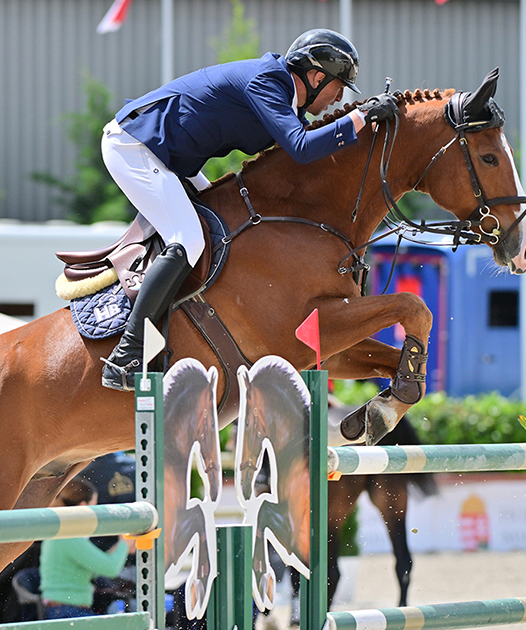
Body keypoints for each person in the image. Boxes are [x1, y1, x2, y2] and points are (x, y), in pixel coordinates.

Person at [99, 28, 400, 390]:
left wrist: (365, 129)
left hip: (169, 159)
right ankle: (127, 353)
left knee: (220, 231)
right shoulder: (268, 82)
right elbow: (302, 148)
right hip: (137, 147)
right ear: (317, 77)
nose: (339, 98)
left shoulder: (284, 99)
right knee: (189, 239)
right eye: (339, 87)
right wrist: (361, 116)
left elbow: (311, 156)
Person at [38, 453, 138, 619]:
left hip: (64, 610)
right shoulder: (69, 537)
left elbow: (94, 567)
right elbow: (110, 569)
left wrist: (119, 548)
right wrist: (123, 544)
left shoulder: (62, 532)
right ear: (84, 506)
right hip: (69, 613)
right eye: (94, 506)